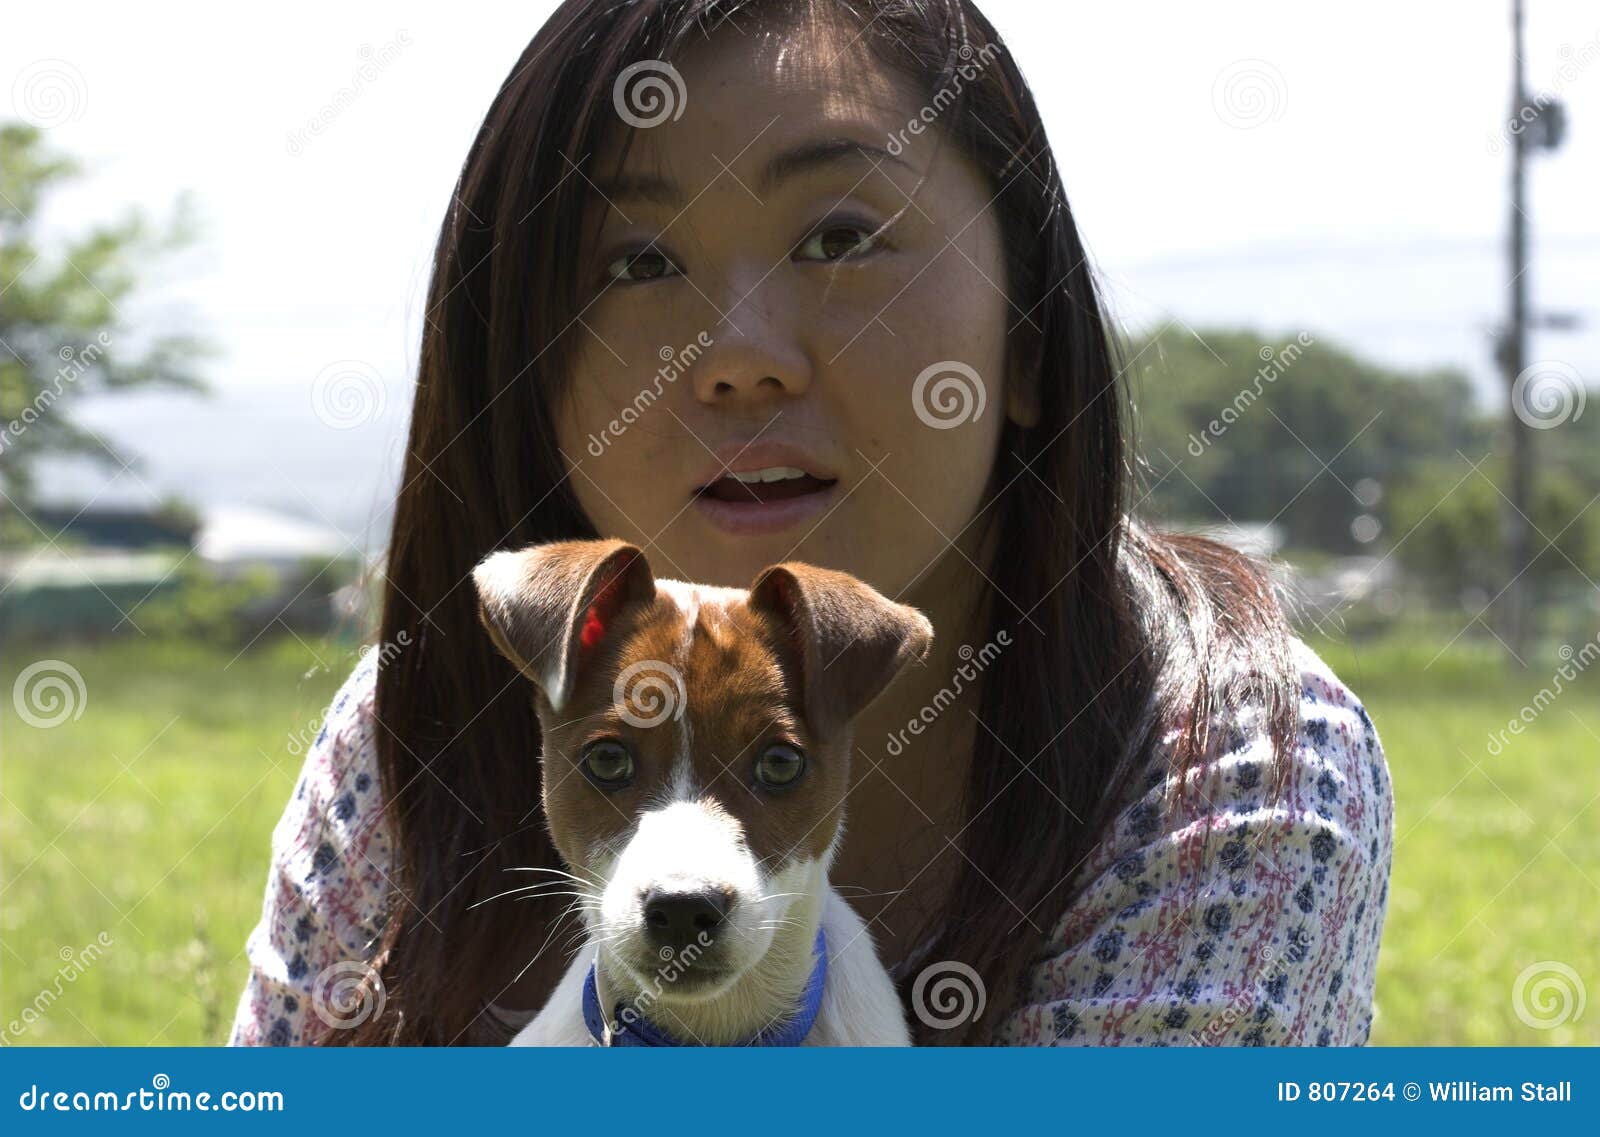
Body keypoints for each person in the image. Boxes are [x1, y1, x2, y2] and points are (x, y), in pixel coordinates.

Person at [229, 0, 1392, 1047]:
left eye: (839, 239)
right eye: (636, 262)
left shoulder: (1235, 766)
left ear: (1024, 336)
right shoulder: (412, 733)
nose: (734, 357)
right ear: (523, 375)